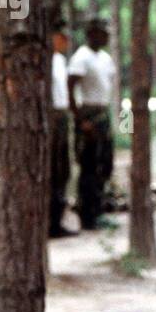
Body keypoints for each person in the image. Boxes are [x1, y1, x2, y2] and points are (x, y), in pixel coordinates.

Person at [67, 18, 117, 230]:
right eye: (103, 33)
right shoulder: (81, 57)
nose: (106, 37)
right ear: (92, 34)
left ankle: (98, 209)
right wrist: (81, 119)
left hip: (104, 112)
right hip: (89, 112)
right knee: (89, 164)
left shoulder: (105, 58)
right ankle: (87, 214)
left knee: (105, 163)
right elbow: (70, 89)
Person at [49, 19, 75, 237]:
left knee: (62, 170)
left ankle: (57, 221)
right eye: (61, 36)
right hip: (51, 116)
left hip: (62, 115)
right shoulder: (44, 60)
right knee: (51, 168)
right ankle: (49, 222)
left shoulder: (59, 60)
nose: (66, 41)